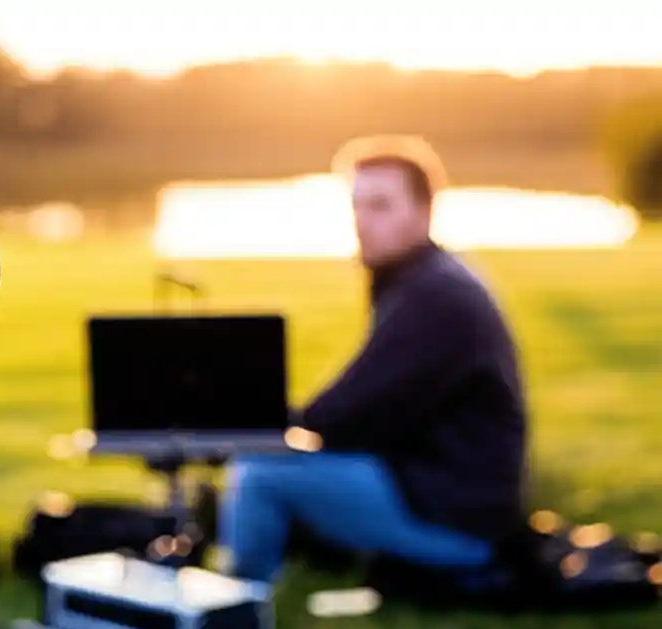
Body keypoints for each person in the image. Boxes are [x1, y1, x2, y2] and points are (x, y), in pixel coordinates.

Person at [224, 135, 528, 584]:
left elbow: (342, 416)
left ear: (424, 212)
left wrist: (254, 429)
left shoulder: (435, 296)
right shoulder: (426, 278)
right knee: (273, 464)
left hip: (458, 526)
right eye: (357, 207)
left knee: (259, 472)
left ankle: (232, 611)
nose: (363, 222)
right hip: (446, 498)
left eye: (381, 206)